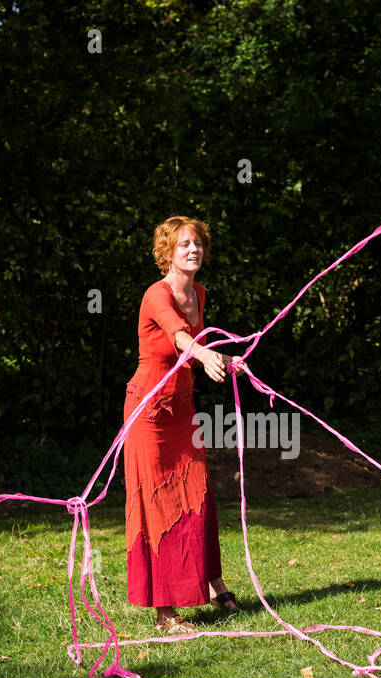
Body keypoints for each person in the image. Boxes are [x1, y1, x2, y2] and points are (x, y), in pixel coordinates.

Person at [124, 216, 243, 635]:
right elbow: (178, 336)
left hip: (183, 409)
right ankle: (166, 612)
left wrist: (226, 361)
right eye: (183, 245)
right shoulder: (157, 294)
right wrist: (202, 354)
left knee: (199, 494)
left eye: (197, 243)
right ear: (167, 254)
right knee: (158, 506)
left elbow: (198, 347)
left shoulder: (199, 292)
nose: (193, 250)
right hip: (149, 414)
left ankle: (212, 583)